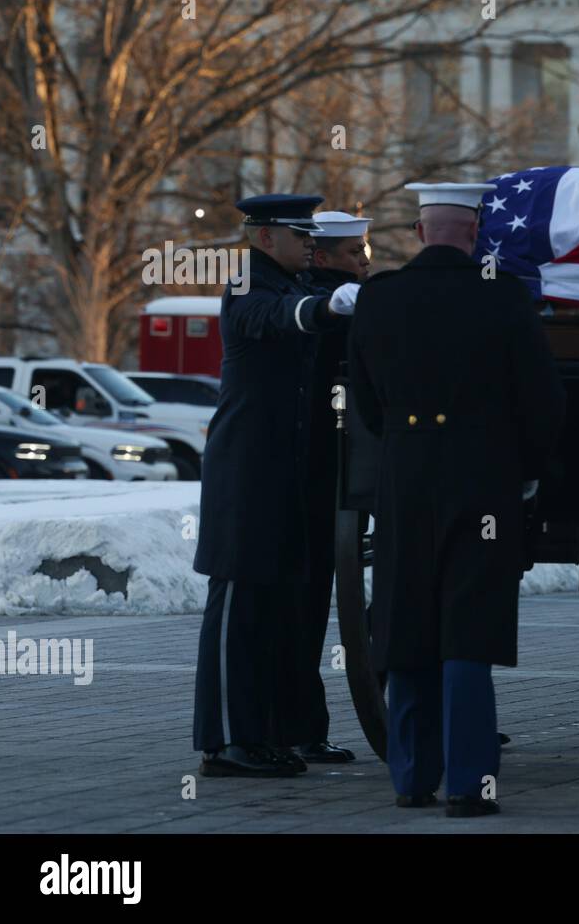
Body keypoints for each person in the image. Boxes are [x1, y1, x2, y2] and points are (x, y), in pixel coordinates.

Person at [348, 182, 564, 816]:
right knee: (469, 628)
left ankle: (411, 776)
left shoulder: (378, 298)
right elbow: (541, 401)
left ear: (419, 232)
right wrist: (529, 472)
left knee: (406, 621)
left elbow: (363, 402)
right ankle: (470, 784)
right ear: (476, 233)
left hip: (405, 479)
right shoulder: (503, 297)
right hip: (483, 479)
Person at [193, 194, 360, 778]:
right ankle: (227, 743)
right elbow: (273, 319)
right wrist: (325, 307)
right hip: (246, 470)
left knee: (280, 608)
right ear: (266, 237)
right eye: (300, 234)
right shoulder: (248, 286)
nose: (310, 243)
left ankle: (275, 733)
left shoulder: (289, 281)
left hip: (284, 471)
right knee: (238, 603)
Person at [274, 210, 372, 765]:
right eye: (355, 251)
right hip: (319, 472)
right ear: (324, 256)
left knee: (307, 607)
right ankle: (299, 728)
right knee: (303, 605)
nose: (364, 260)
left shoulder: (343, 297)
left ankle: (303, 727)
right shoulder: (331, 306)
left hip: (326, 471)